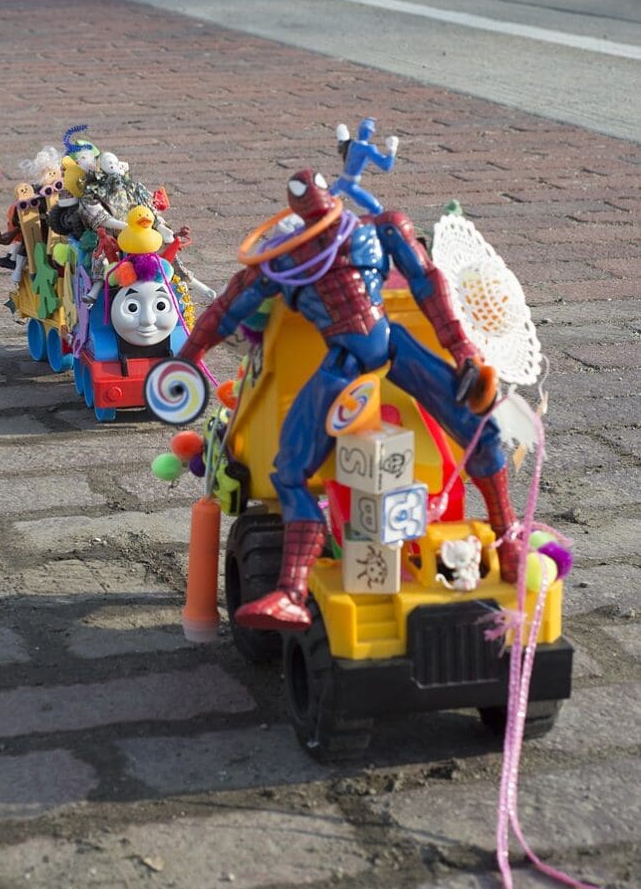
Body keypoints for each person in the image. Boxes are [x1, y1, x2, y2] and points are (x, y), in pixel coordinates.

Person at [173, 169, 523, 631]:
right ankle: (292, 592)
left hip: (391, 343)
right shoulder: (285, 261)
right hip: (340, 363)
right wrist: (184, 358)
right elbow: (225, 309)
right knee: (290, 469)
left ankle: (509, 534)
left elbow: (428, 282)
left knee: (479, 425)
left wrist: (462, 349)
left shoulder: (380, 230)